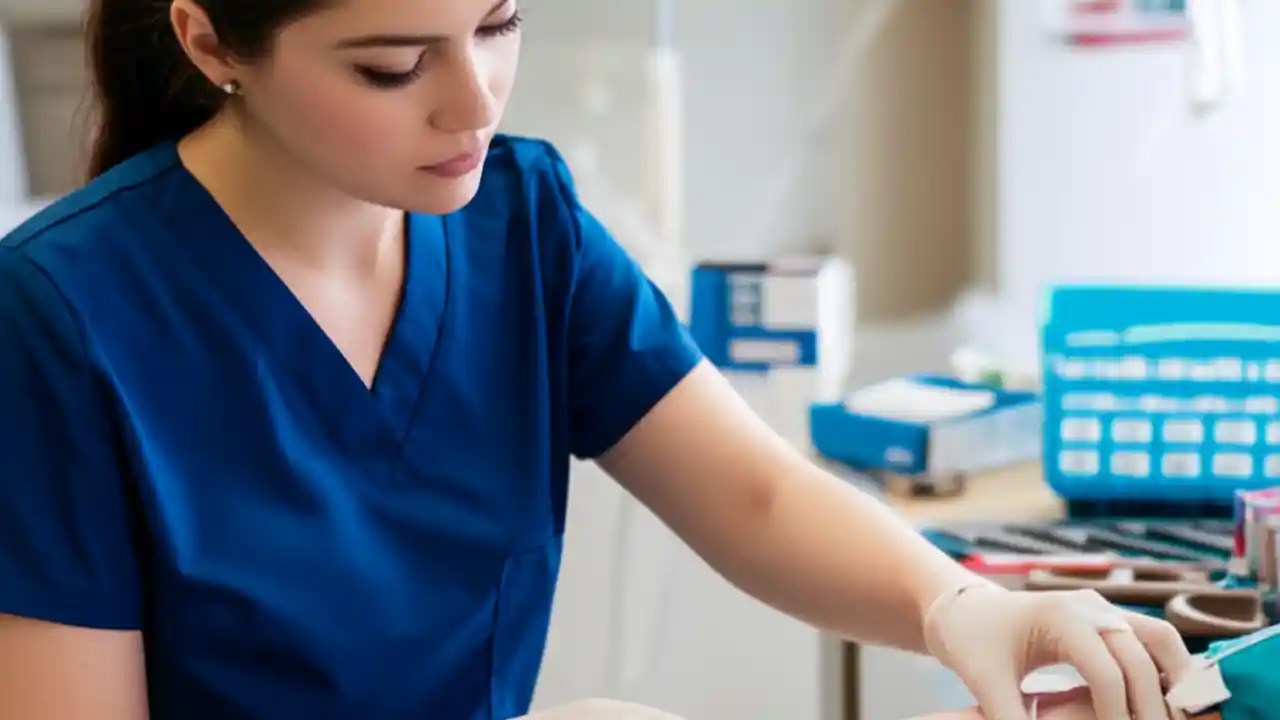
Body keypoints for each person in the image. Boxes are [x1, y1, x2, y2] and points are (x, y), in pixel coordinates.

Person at [0, 1, 1192, 718]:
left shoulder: (523, 221)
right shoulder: (64, 316)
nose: (473, 102)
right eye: (392, 64)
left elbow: (756, 493)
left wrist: (957, 605)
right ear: (213, 41)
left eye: (498, 19)